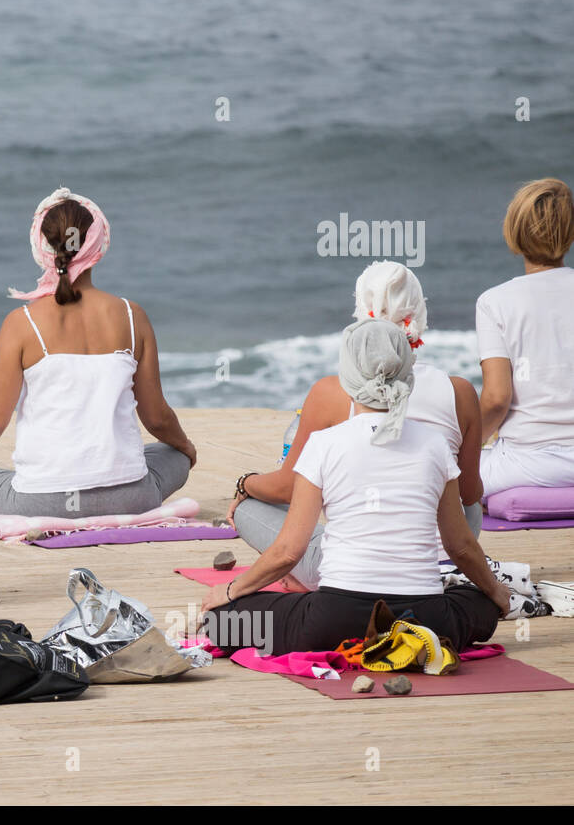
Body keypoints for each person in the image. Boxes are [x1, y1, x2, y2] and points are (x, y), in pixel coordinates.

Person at [201, 320, 511, 656]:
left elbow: (288, 551)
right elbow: (460, 545)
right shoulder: (435, 444)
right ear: (409, 378)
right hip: (426, 619)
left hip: (334, 618)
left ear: (346, 381)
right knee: (478, 602)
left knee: (223, 621)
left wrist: (230, 591)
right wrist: (495, 592)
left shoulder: (324, 444)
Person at [229, 262, 484, 589]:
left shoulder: (330, 392)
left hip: (354, 573)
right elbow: (470, 492)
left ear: (359, 315)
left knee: (251, 508)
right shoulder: (460, 391)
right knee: (468, 504)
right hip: (440, 559)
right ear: (419, 315)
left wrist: (245, 483)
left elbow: (287, 487)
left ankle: (306, 575)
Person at [0, 187, 196, 517]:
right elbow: (157, 418)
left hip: (40, 503)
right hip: (133, 497)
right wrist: (187, 449)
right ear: (99, 245)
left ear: (41, 248)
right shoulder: (132, 315)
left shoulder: (21, 324)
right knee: (174, 454)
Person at [476, 178, 574, 497]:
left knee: (439, 475)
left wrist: (466, 446)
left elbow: (495, 400)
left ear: (514, 231)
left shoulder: (494, 302)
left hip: (524, 465)